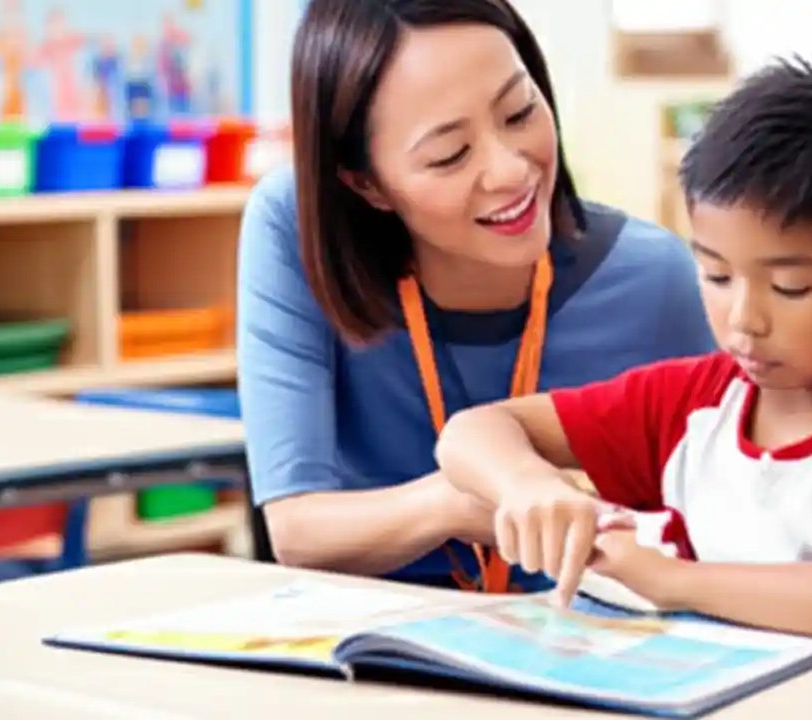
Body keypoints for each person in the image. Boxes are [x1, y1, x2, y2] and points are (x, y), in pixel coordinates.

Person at [434, 55, 812, 654]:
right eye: (715, 275)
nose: (744, 319)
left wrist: (677, 582)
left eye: (790, 288)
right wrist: (531, 487)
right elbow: (471, 433)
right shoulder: (691, 402)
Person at [236, 0, 713, 594]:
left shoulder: (657, 280)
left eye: (518, 113)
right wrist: (469, 497)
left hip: (593, 645)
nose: (510, 171)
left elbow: (726, 522)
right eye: (450, 155)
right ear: (366, 183)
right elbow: (297, 530)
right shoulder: (297, 230)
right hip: (373, 650)